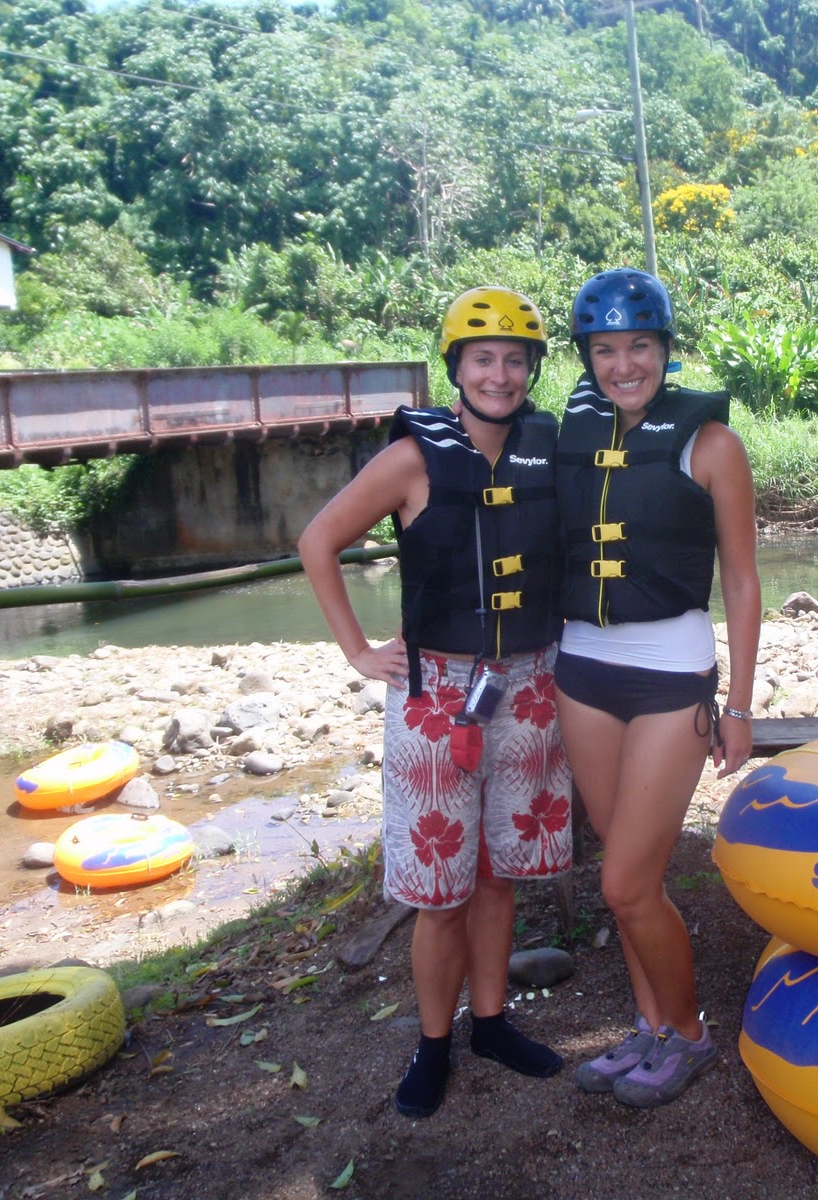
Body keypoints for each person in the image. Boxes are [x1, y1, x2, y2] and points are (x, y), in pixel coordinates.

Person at [298, 286, 572, 1120]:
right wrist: (357, 651)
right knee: (441, 891)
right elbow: (318, 541)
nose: (500, 374)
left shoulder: (547, 445)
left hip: (528, 686)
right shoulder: (414, 455)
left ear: (531, 370)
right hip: (436, 697)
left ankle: (491, 1023)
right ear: (455, 366)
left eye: (516, 359)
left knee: (497, 878)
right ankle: (434, 1043)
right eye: (483, 358)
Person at [554, 267, 761, 1108]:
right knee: (627, 871)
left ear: (665, 350)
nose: (622, 364)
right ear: (587, 358)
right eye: (604, 350)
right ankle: (650, 1024)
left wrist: (740, 705)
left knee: (625, 885)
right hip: (581, 673)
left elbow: (744, 583)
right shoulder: (567, 435)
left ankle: (691, 1032)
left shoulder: (710, 444)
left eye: (638, 345)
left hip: (672, 677)